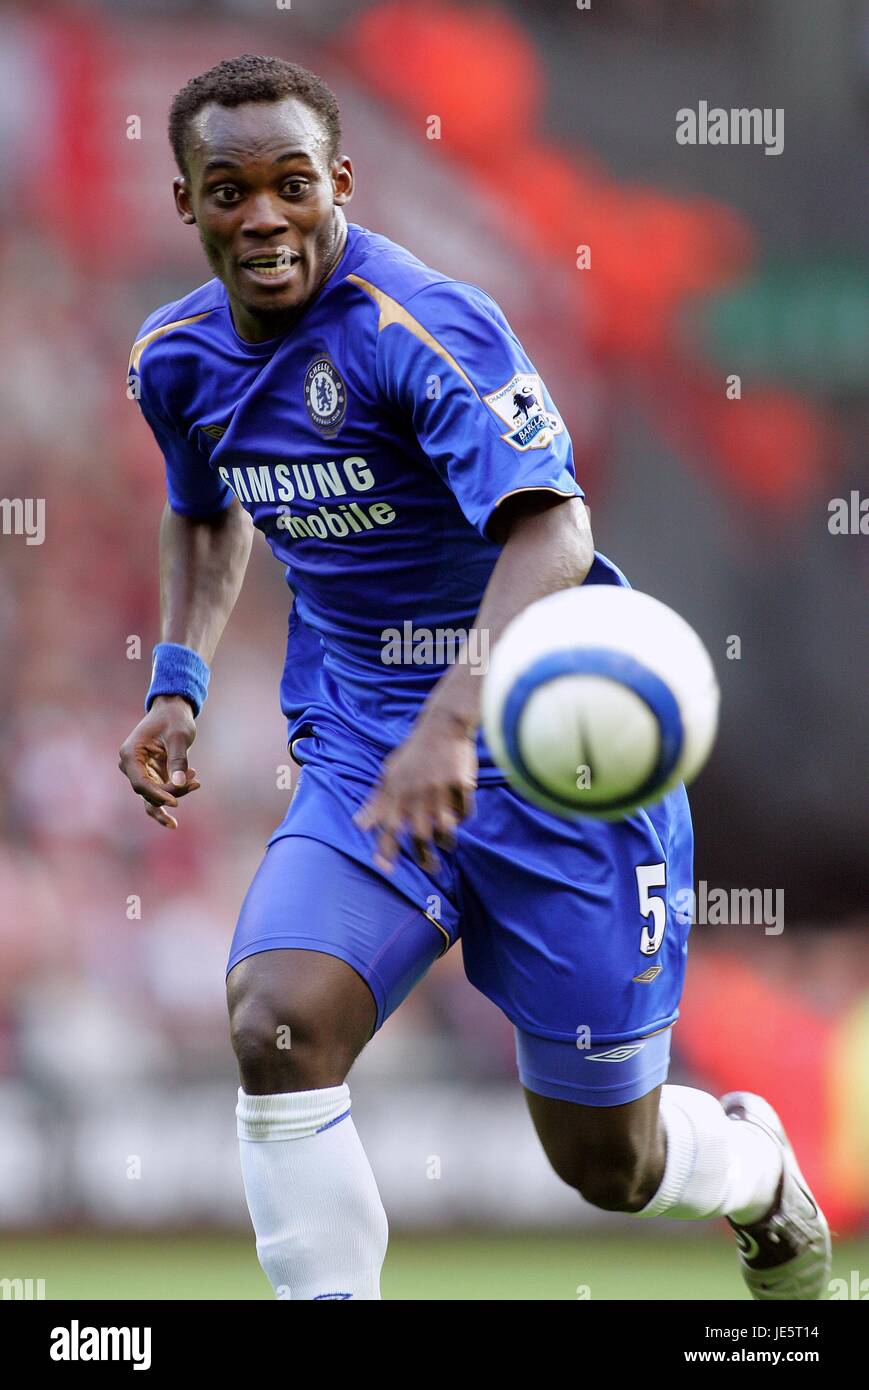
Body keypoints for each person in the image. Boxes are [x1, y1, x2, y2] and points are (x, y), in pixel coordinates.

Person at [119, 55, 830, 1301]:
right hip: (362, 752)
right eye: (229, 191)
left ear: (340, 180)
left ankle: (758, 1173)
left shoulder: (422, 327)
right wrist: (177, 679)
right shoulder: (174, 359)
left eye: (294, 184)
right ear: (188, 203)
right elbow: (202, 509)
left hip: (549, 753)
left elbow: (550, 529)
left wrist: (458, 713)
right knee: (274, 1023)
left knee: (607, 1162)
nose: (265, 216)